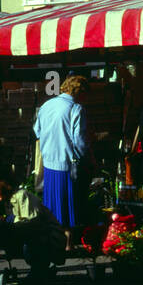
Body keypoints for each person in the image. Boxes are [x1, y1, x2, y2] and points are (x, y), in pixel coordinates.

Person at [33, 75, 90, 248]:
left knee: (53, 206)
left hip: (50, 163)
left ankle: (53, 242)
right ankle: (68, 243)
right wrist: (85, 158)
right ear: (80, 92)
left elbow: (37, 131)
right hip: (67, 164)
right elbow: (79, 140)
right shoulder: (76, 108)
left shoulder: (47, 105)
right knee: (69, 205)